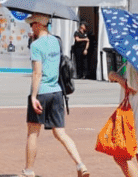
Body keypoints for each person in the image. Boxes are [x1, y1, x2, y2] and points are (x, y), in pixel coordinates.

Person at [24, 13, 90, 177]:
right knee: (60, 132)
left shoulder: (36, 46)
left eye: (32, 24)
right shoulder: (56, 41)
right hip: (57, 91)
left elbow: (37, 73)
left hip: (43, 91)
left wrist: (33, 96)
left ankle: (29, 170)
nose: (31, 27)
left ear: (39, 24)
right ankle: (80, 165)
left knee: (33, 133)